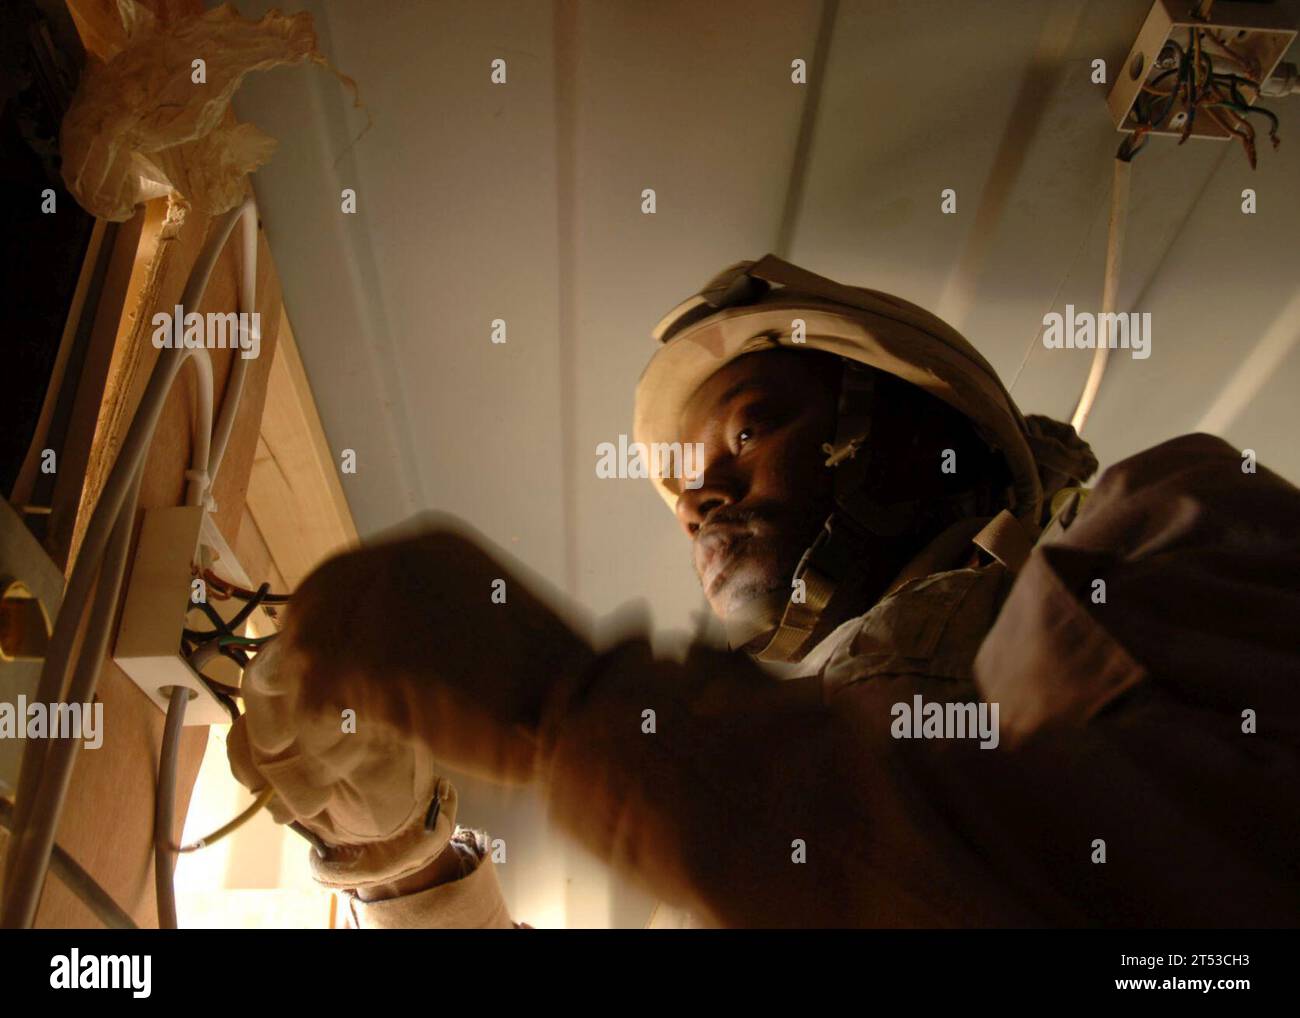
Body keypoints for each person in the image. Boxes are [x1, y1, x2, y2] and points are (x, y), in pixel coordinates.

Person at [226, 256, 1300, 928]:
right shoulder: (748, 808)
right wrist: (407, 861)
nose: (701, 500)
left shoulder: (1177, 522)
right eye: (685, 485)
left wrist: (566, 705)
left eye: (746, 429)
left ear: (929, 432)